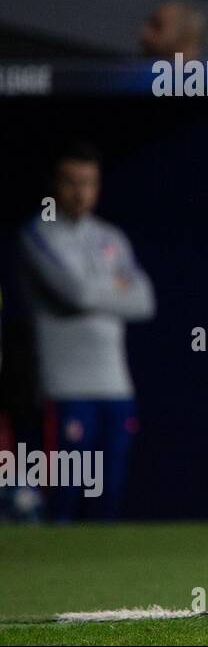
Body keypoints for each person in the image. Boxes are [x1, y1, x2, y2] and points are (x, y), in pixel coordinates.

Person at [19, 142, 155, 520]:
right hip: (65, 389)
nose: (80, 193)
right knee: (63, 498)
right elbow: (74, 294)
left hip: (116, 387)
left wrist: (96, 290)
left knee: (108, 497)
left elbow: (145, 301)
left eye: (89, 182)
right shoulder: (38, 232)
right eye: (71, 182)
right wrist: (114, 288)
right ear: (54, 185)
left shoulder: (112, 237)